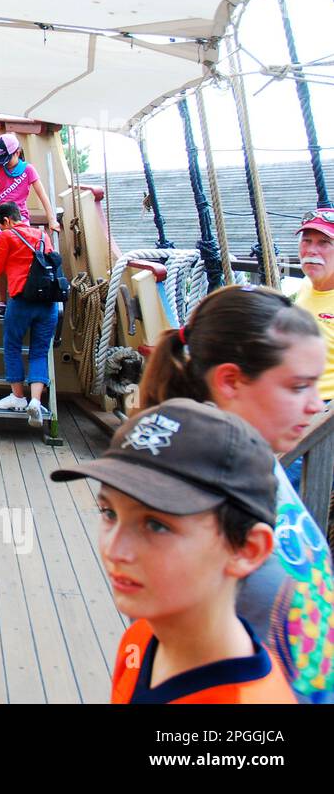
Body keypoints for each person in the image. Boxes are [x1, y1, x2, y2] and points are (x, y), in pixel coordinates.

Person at [137, 284, 334, 702]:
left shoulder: (256, 462)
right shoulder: (200, 492)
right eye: (298, 387)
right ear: (231, 380)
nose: (316, 405)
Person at [52, 400, 294, 703]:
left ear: (247, 548)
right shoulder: (142, 637)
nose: (115, 550)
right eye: (109, 512)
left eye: (157, 525)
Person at [0, 202, 59, 427]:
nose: (1, 231)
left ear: (7, 221)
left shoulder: (7, 237)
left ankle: (18, 397)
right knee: (39, 352)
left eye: (0, 226)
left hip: (21, 301)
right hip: (48, 302)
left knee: (12, 347)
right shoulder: (41, 235)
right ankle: (36, 402)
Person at [0, 132, 59, 318]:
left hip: (20, 219)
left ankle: (24, 297)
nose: (4, 163)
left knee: (22, 260)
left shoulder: (28, 170)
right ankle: (2, 302)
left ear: (17, 152)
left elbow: (42, 195)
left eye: (7, 158)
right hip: (1, 222)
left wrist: (52, 219)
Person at [293, 207, 334, 402]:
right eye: (306, 241)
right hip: (296, 401)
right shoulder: (306, 285)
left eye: (324, 243)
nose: (311, 250)